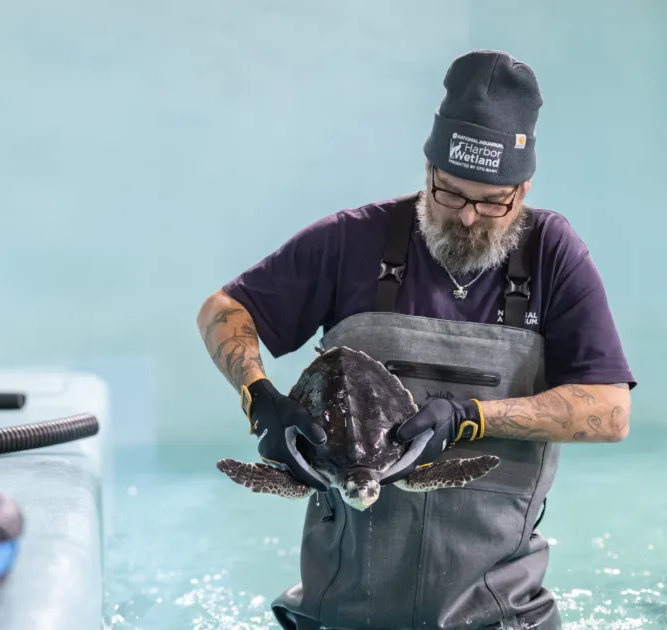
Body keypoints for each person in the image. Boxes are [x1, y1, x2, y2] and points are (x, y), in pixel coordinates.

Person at [197, 49, 636, 630]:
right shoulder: (352, 242)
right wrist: (258, 396)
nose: (468, 217)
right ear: (428, 168)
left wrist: (472, 418)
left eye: (492, 201)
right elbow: (223, 310)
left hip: (502, 611)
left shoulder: (552, 254)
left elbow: (610, 412)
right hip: (345, 607)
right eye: (449, 192)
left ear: (523, 188)